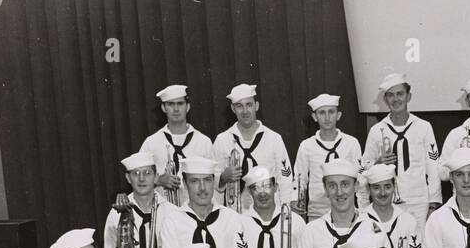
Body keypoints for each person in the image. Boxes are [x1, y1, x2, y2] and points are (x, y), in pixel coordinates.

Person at [360, 72, 442, 233]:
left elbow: (433, 168)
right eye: (390, 95)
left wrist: (433, 204)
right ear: (385, 99)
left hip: (419, 202)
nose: (395, 99)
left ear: (409, 96)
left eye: (400, 94)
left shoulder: (423, 127)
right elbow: (362, 170)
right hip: (387, 204)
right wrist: (377, 164)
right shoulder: (377, 131)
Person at [214, 83, 296, 212]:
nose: (245, 111)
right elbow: (212, 178)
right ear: (232, 109)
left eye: (249, 105)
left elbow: (285, 178)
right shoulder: (222, 140)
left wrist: (285, 210)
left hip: (269, 212)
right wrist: (223, 177)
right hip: (235, 212)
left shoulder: (274, 139)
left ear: (256, 106)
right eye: (239, 106)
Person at [291, 157, 373, 248]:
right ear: (325, 189)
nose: (339, 192)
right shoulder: (312, 230)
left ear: (356, 186)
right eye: (332, 185)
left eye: (345, 184)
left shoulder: (371, 228)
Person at [139, 84, 216, 203]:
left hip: (195, 210)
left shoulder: (203, 141)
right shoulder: (151, 143)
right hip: (163, 210)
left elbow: (213, 182)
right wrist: (158, 180)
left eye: (180, 104)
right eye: (170, 104)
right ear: (164, 108)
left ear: (188, 107)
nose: (176, 109)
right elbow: (139, 178)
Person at [293, 93, 362, 221]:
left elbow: (360, 178)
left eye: (331, 112)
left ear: (338, 115)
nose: (327, 117)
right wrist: (296, 201)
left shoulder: (351, 143)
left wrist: (363, 209)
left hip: (346, 210)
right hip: (317, 212)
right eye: (321, 113)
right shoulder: (307, 146)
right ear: (314, 117)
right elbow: (300, 179)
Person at [361, 162, 422, 248]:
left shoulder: (408, 220)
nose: (383, 193)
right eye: (376, 187)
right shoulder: (361, 220)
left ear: (394, 187)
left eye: (387, 187)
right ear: (369, 190)